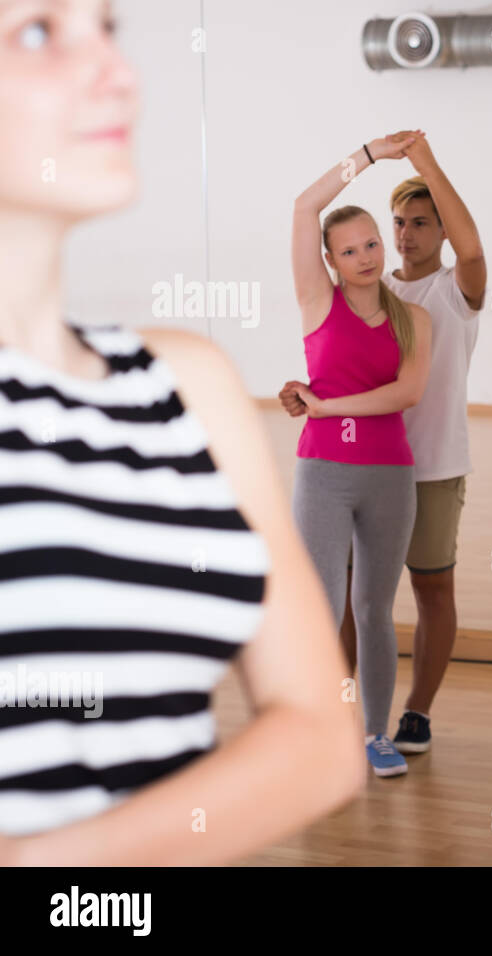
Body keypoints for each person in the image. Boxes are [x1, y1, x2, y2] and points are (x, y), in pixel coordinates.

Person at [0, 0, 362, 862]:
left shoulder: (186, 387)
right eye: (42, 33)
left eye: (110, 28)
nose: (121, 75)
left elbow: (318, 737)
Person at [281, 135, 485, 756]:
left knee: (430, 590)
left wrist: (421, 158)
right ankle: (343, 716)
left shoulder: (455, 290)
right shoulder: (373, 293)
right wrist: (309, 395)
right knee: (350, 599)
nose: (405, 235)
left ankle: (416, 713)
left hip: (433, 468)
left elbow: (471, 246)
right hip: (359, 467)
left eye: (421, 223)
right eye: (396, 224)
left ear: (441, 230)